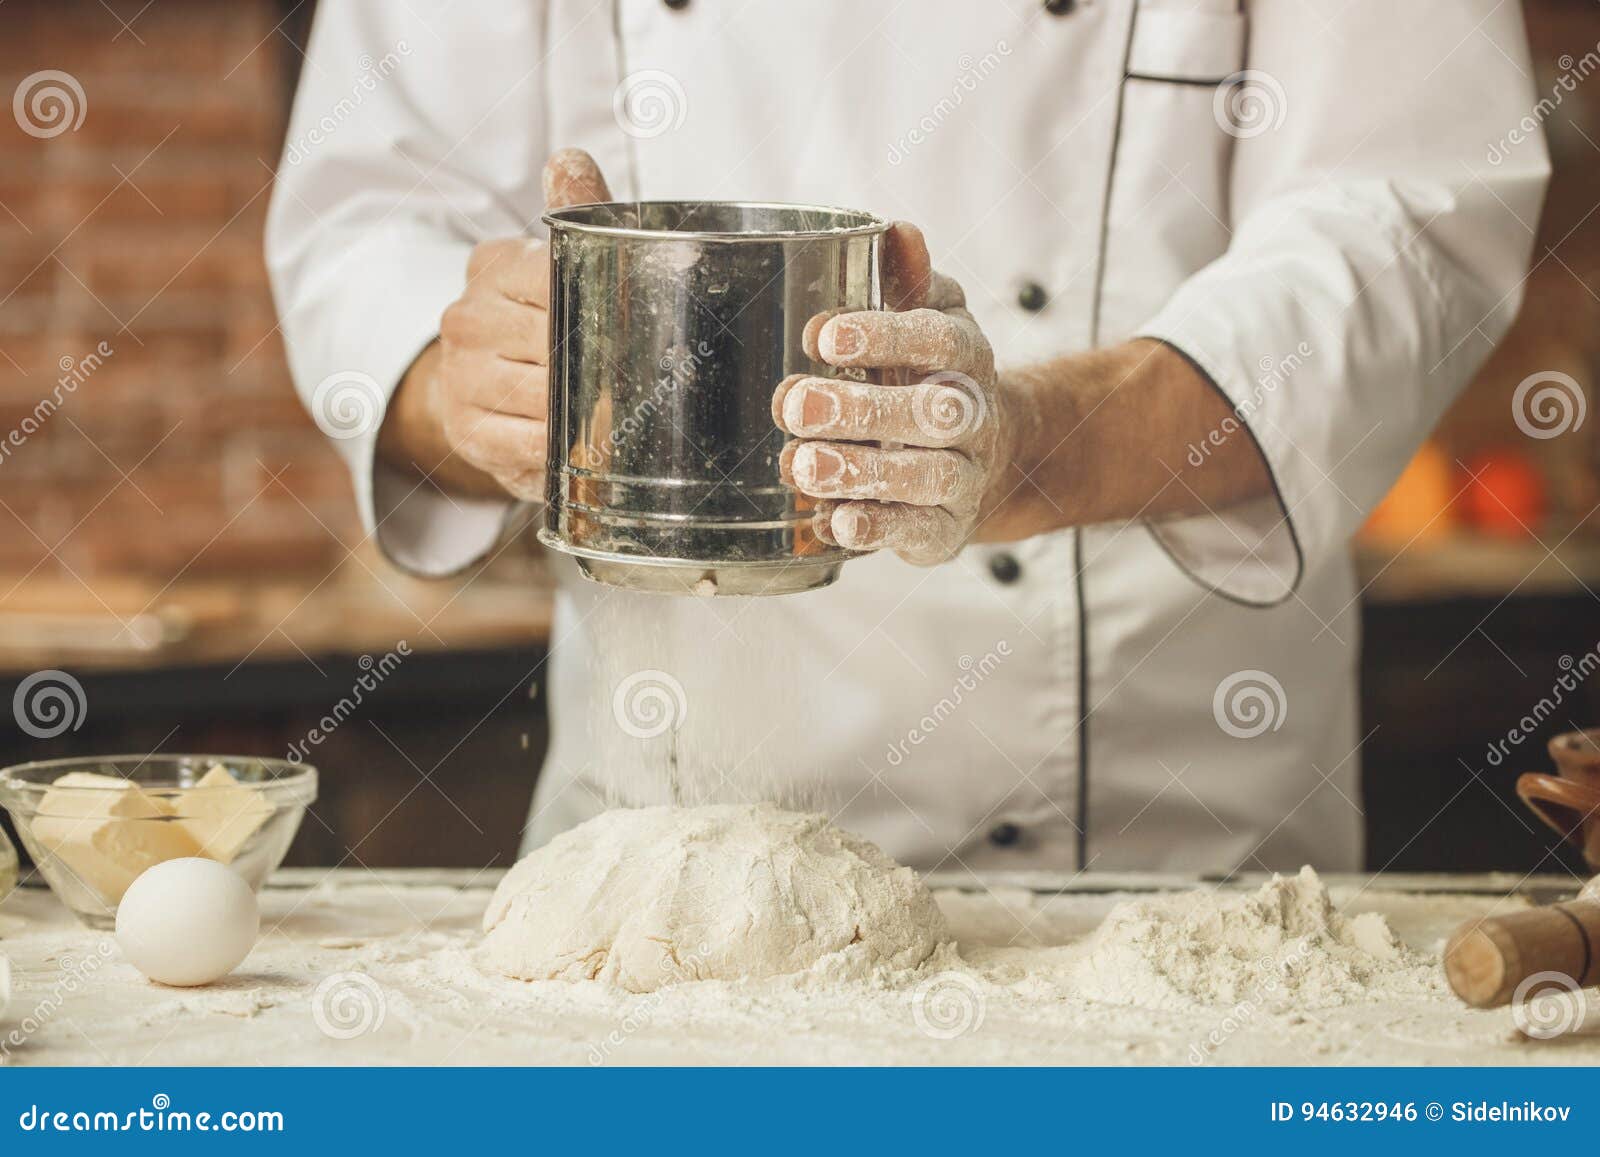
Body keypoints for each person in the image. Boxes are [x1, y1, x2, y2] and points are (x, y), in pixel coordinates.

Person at [267, 1, 1549, 874]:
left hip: (1158, 858)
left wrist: (1036, 443)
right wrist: (469, 384)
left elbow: (1405, 204)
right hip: (661, 848)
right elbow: (369, 212)